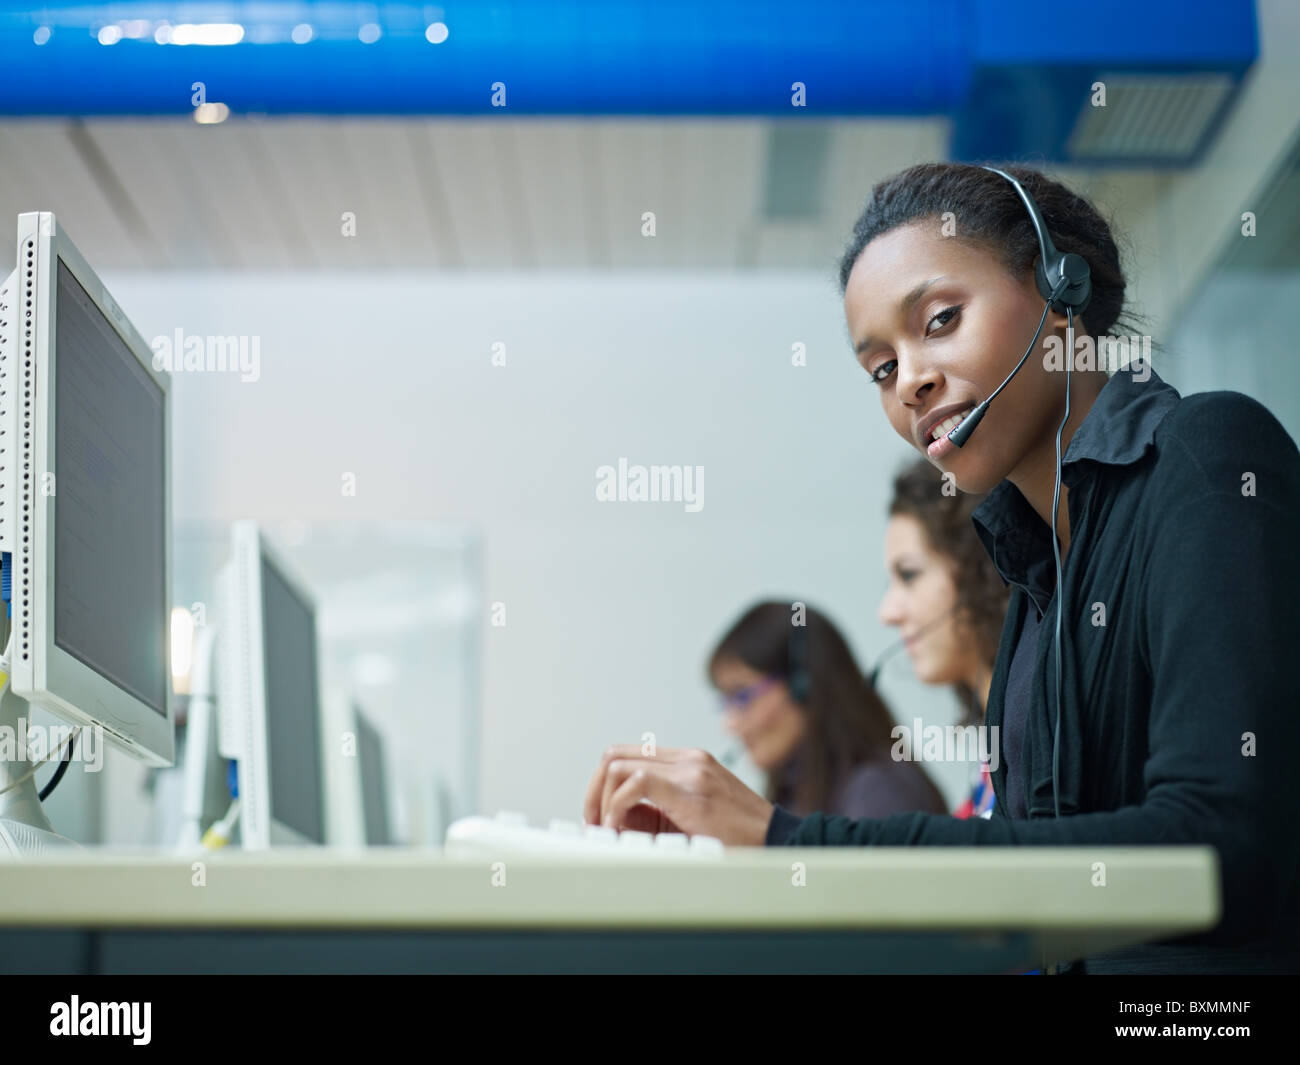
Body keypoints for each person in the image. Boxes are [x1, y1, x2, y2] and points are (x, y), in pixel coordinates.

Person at [583, 161, 1300, 973]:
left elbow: (1221, 853)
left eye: (941, 320)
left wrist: (786, 842)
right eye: (882, 370)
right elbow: (1036, 877)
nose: (912, 382)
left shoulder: (1208, 456)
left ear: (1061, 292)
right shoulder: (1035, 579)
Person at [709, 600, 947, 819]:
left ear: (804, 687)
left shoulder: (878, 791)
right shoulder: (795, 793)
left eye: (741, 697)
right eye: (725, 703)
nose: (729, 724)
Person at [879, 458, 1010, 819]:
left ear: (982, 570)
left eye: (909, 575)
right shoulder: (994, 752)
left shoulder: (1034, 736)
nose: (887, 612)